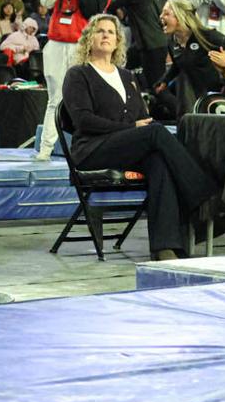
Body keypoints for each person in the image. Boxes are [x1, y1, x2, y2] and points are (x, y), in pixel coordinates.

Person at [59, 14, 216, 261]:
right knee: (154, 132)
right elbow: (83, 121)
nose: (105, 35)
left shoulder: (126, 76)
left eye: (111, 32)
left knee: (159, 163)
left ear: (118, 40)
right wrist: (130, 126)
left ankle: (164, 247)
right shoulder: (78, 74)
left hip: (125, 148)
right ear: (89, 38)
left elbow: (143, 116)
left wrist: (135, 126)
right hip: (92, 150)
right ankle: (203, 193)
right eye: (100, 31)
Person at [34, 0, 112, 160]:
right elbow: (46, 2)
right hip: (56, 44)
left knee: (83, 100)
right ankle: (45, 150)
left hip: (81, 45)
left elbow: (92, 12)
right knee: (54, 98)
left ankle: (88, 150)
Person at [152, 0, 225, 117]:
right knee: (160, 90)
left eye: (166, 13)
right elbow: (178, 64)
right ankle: (185, 121)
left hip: (211, 93)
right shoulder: (172, 41)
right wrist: (165, 80)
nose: (161, 16)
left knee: (183, 78)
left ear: (181, 16)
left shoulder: (206, 36)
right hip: (189, 94)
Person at [108, 0, 167, 88]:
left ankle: (175, 108)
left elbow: (110, 5)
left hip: (150, 47)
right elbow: (136, 9)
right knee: (121, 68)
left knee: (157, 89)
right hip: (156, 44)